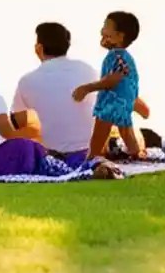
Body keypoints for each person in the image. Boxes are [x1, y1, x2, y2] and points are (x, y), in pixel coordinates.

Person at [0, 53, 121, 180]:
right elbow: (6, 132)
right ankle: (91, 169)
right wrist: (33, 142)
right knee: (60, 170)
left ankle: (88, 168)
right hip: (12, 156)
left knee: (47, 163)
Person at [10, 23, 100, 166]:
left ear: (39, 48)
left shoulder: (27, 81)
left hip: (51, 158)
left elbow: (17, 123)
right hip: (88, 154)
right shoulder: (88, 70)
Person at [73, 11, 145, 159]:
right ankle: (136, 154)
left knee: (100, 131)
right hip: (123, 103)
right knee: (126, 131)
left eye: (106, 27)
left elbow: (113, 80)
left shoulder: (116, 56)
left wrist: (87, 88)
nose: (102, 31)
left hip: (111, 103)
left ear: (119, 36)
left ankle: (91, 159)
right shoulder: (124, 57)